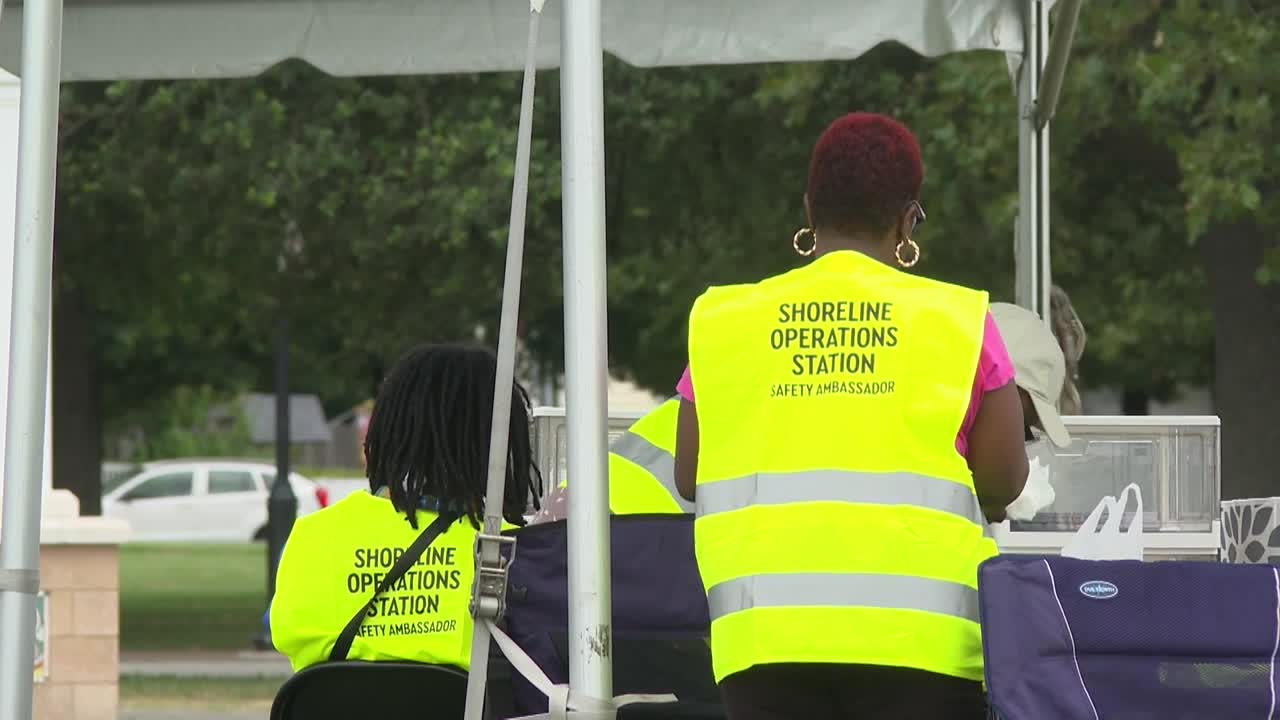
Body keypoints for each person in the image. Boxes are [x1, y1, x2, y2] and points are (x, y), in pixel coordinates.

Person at [671, 112, 1028, 719]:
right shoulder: (958, 320)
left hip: (763, 648)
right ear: (907, 218)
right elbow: (1004, 482)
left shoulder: (724, 321)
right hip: (926, 650)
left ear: (810, 210)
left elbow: (689, 476)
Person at [270, 343, 542, 672]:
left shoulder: (313, 537)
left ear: (389, 427)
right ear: (499, 439)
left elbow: (287, 637)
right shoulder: (520, 552)